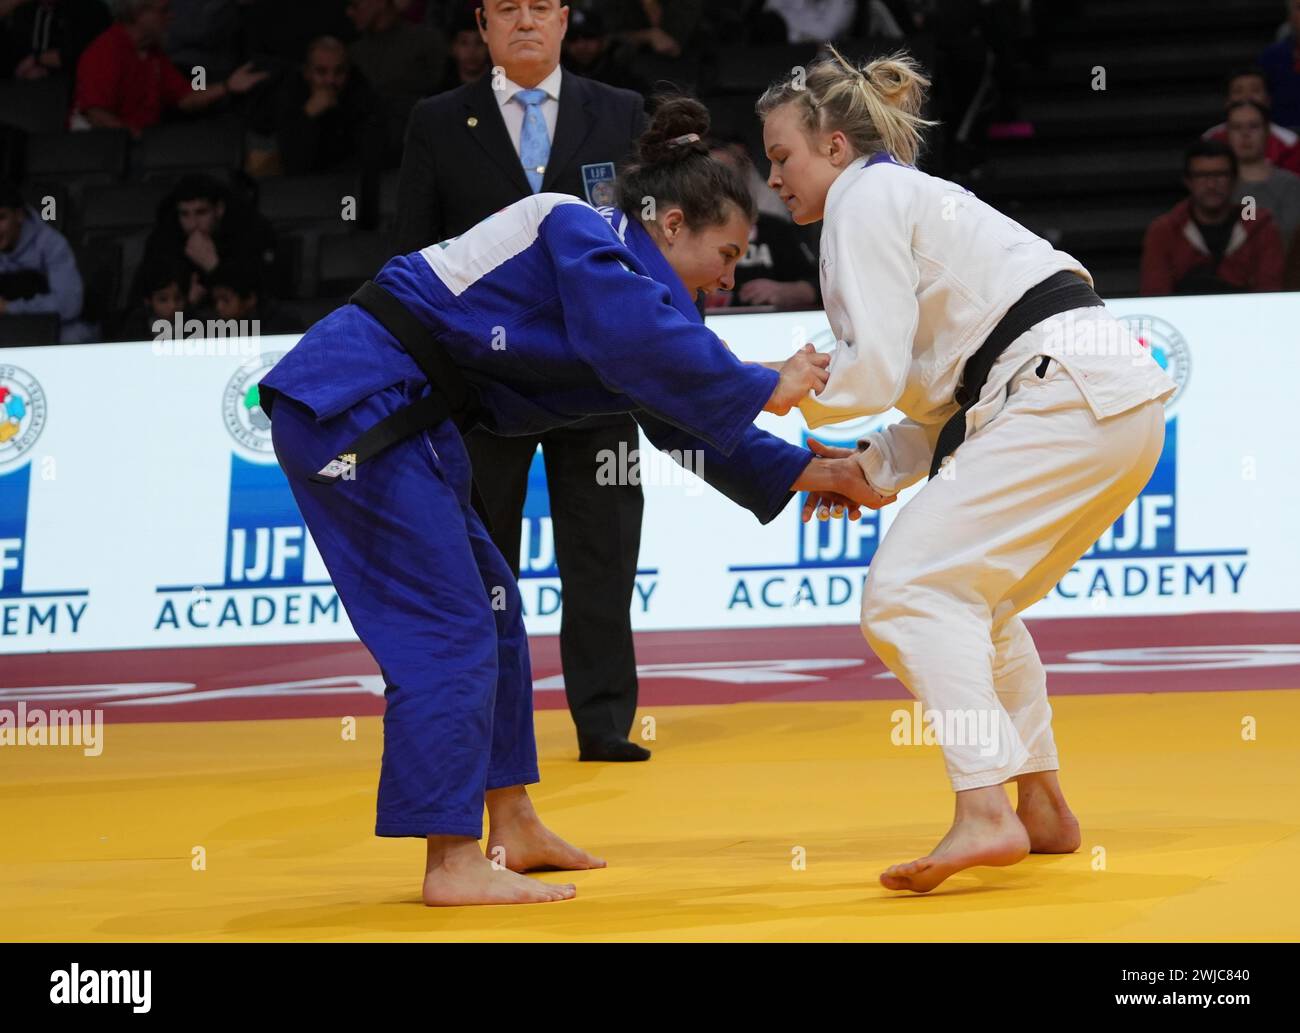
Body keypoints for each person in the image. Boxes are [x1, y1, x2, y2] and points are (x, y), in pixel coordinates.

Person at [258, 97, 887, 906]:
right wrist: (763, 383)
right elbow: (641, 346)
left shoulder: (637, 301)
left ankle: (512, 822)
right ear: (670, 224)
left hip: (405, 419)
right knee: (450, 623)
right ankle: (450, 859)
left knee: (492, 606)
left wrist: (815, 473)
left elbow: (675, 418)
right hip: (357, 403)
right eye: (726, 253)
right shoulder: (575, 227)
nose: (730, 278)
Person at [757, 48, 1177, 893]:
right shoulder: (900, 199)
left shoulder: (864, 199)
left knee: (909, 591)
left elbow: (872, 374)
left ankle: (985, 806)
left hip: (1060, 393)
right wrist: (870, 464)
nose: (773, 179)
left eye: (781, 156)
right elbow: (943, 398)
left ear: (834, 146)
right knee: (976, 602)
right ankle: (1040, 801)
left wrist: (776, 387)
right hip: (1106, 400)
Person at [397, 0, 656, 764]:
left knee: (604, 552)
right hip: (483, 383)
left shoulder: (621, 112)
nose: (525, 20)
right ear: (481, 26)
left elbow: (645, 240)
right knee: (481, 563)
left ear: (566, 19)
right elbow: (412, 249)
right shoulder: (439, 121)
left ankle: (605, 720)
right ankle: (484, 722)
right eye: (506, 8)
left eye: (541, 5)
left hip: (596, 372)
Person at [70, 0, 267, 136]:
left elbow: (185, 98)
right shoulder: (106, 51)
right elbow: (97, 115)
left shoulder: (152, 54)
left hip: (143, 147)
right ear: (139, 14)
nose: (171, 16)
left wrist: (228, 86)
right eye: (163, 11)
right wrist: (139, 140)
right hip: (106, 151)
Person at [1140, 139, 1284, 295]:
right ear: (1188, 181)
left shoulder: (1262, 229)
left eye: (1220, 175)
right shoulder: (1164, 232)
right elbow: (1155, 296)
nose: (1211, 185)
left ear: (1235, 180)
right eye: (1202, 176)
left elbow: (1270, 293)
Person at [0, 180, 91, 342]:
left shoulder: (52, 244)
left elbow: (68, 306)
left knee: (72, 337)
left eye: (1, 218)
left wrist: (9, 308)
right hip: (8, 328)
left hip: (55, 327)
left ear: (19, 215)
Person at [1224, 99, 1300, 256]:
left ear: (1267, 131)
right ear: (1227, 133)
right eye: (1237, 127)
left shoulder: (1291, 185)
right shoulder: (1216, 185)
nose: (1245, 134)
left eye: (1253, 126)